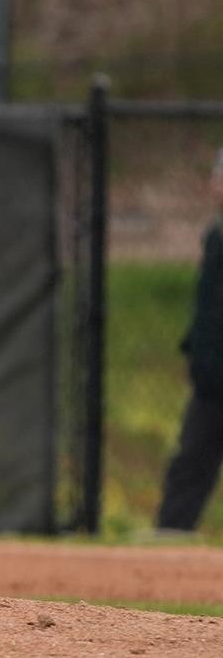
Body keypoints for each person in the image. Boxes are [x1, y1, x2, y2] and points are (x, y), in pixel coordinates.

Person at [155, 147, 223, 535]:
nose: (217, 184)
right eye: (217, 176)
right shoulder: (215, 235)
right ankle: (169, 540)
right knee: (191, 462)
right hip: (211, 376)